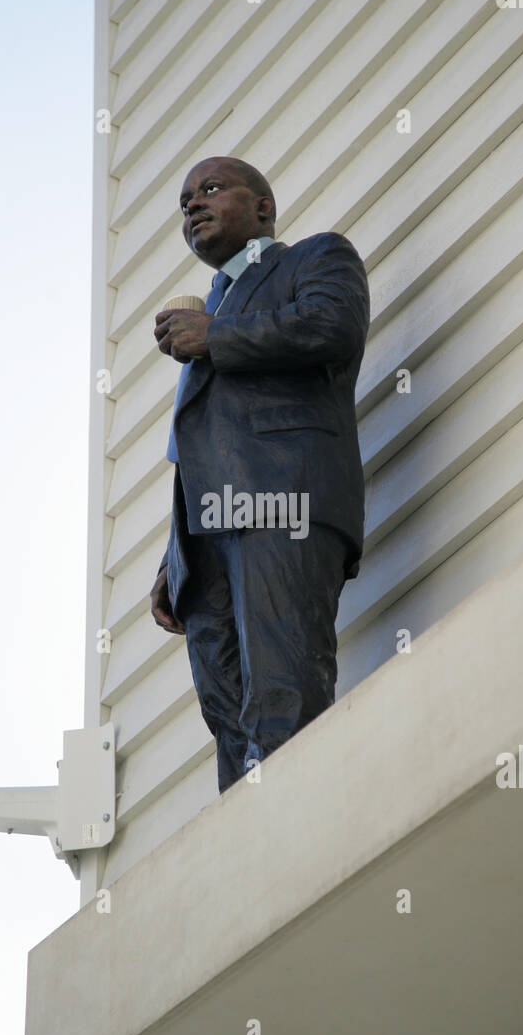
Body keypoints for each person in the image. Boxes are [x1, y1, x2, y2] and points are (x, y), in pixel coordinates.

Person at [151, 155, 369, 793]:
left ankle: (298, 835)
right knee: (228, 713)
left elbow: (331, 327)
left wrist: (217, 338)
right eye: (185, 200)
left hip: (284, 505)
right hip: (209, 535)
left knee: (283, 684)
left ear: (263, 209)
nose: (193, 205)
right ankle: (250, 854)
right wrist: (176, 552)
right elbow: (202, 443)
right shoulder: (216, 309)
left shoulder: (315, 258)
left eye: (211, 189)